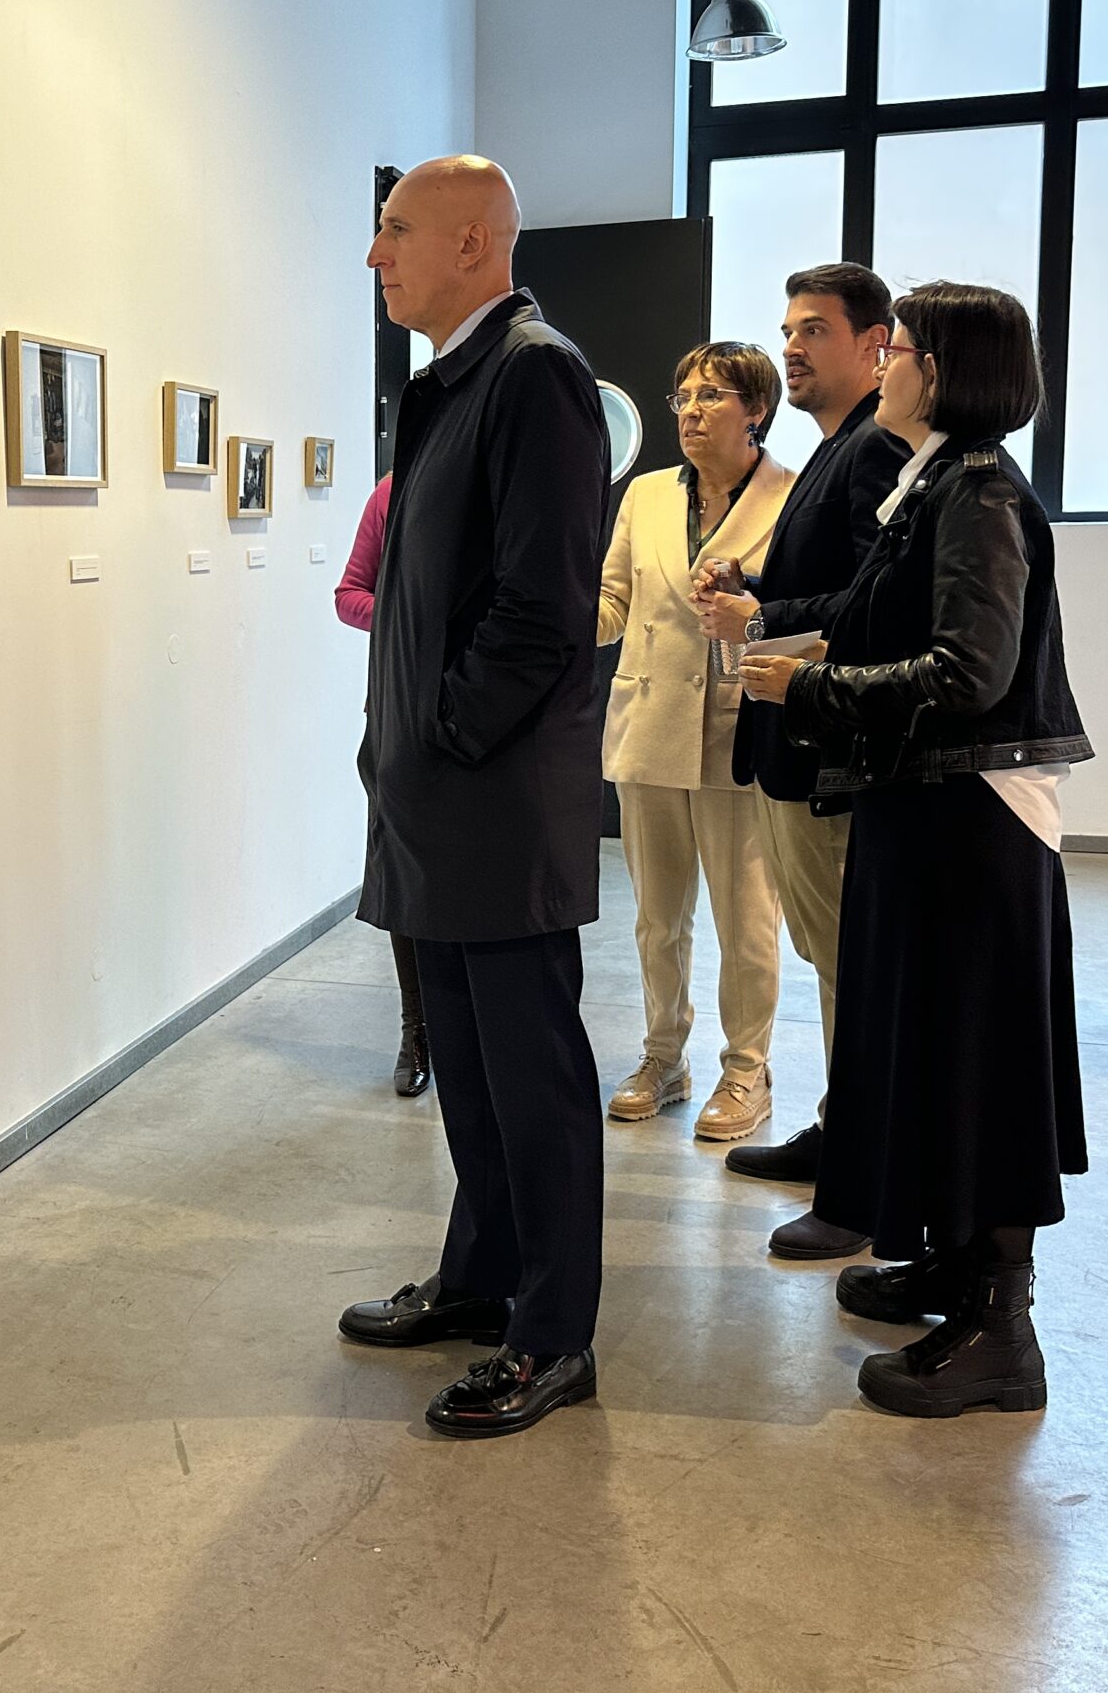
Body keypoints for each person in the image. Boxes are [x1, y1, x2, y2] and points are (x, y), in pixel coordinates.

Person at [741, 280, 1091, 1417]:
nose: (884, 360)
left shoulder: (977, 490)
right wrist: (778, 619)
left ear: (938, 373)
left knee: (980, 1063)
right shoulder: (930, 480)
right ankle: (952, 1267)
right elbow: (877, 607)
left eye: (903, 349)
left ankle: (1000, 1327)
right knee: (942, 1054)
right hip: (930, 811)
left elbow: (966, 676)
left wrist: (812, 685)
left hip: (972, 820)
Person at [339, 155, 608, 1439]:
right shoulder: (449, 381)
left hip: (491, 802)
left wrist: (441, 737)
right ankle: (481, 1278)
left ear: (468, 241)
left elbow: (540, 611)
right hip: (439, 805)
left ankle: (552, 1340)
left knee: (532, 1081)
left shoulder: (535, 373)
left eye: (391, 231)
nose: (375, 254)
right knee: (470, 1077)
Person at [690, 264, 911, 1261]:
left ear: (875, 346)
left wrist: (763, 614)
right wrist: (758, 582)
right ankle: (840, 1131)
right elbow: (834, 578)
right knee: (834, 969)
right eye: (787, 328)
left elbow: (876, 608)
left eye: (814, 329)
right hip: (796, 746)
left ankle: (863, 1175)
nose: (791, 345)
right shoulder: (836, 448)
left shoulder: (870, 452)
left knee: (848, 973)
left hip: (829, 752)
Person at [599, 342, 795, 1140]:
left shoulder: (792, 494)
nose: (690, 409)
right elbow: (614, 597)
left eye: (712, 395)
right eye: (683, 395)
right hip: (647, 726)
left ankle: (747, 1071)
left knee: (747, 918)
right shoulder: (645, 495)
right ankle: (662, 1057)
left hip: (736, 731)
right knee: (656, 918)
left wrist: (756, 611)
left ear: (756, 410)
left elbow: (807, 609)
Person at [335, 472, 431, 1099]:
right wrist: (407, 614)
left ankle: (464, 1031)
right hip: (396, 715)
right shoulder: (391, 492)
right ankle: (416, 1030)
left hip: (481, 723)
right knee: (403, 878)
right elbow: (348, 595)